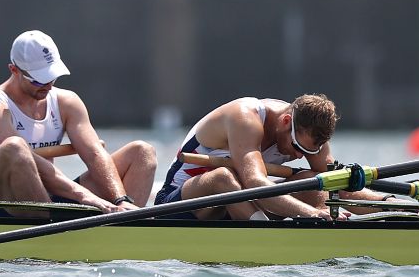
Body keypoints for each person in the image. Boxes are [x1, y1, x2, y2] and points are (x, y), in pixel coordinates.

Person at [0, 30, 157, 215]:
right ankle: (52, 222)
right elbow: (30, 161)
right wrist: (85, 196)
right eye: (39, 80)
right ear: (14, 70)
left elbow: (94, 154)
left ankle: (126, 219)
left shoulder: (66, 102)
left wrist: (119, 199)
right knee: (15, 147)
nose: (48, 86)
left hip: (50, 194)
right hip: (2, 202)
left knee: (142, 152)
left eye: (52, 77)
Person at [154, 94, 398, 220]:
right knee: (223, 178)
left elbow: (336, 184)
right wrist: (310, 212)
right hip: (179, 205)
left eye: (309, 151)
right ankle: (266, 233)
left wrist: (388, 204)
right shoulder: (245, 118)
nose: (299, 155)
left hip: (236, 208)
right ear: (285, 121)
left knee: (312, 181)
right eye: (297, 147)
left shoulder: (308, 133)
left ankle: (329, 228)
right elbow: (254, 183)